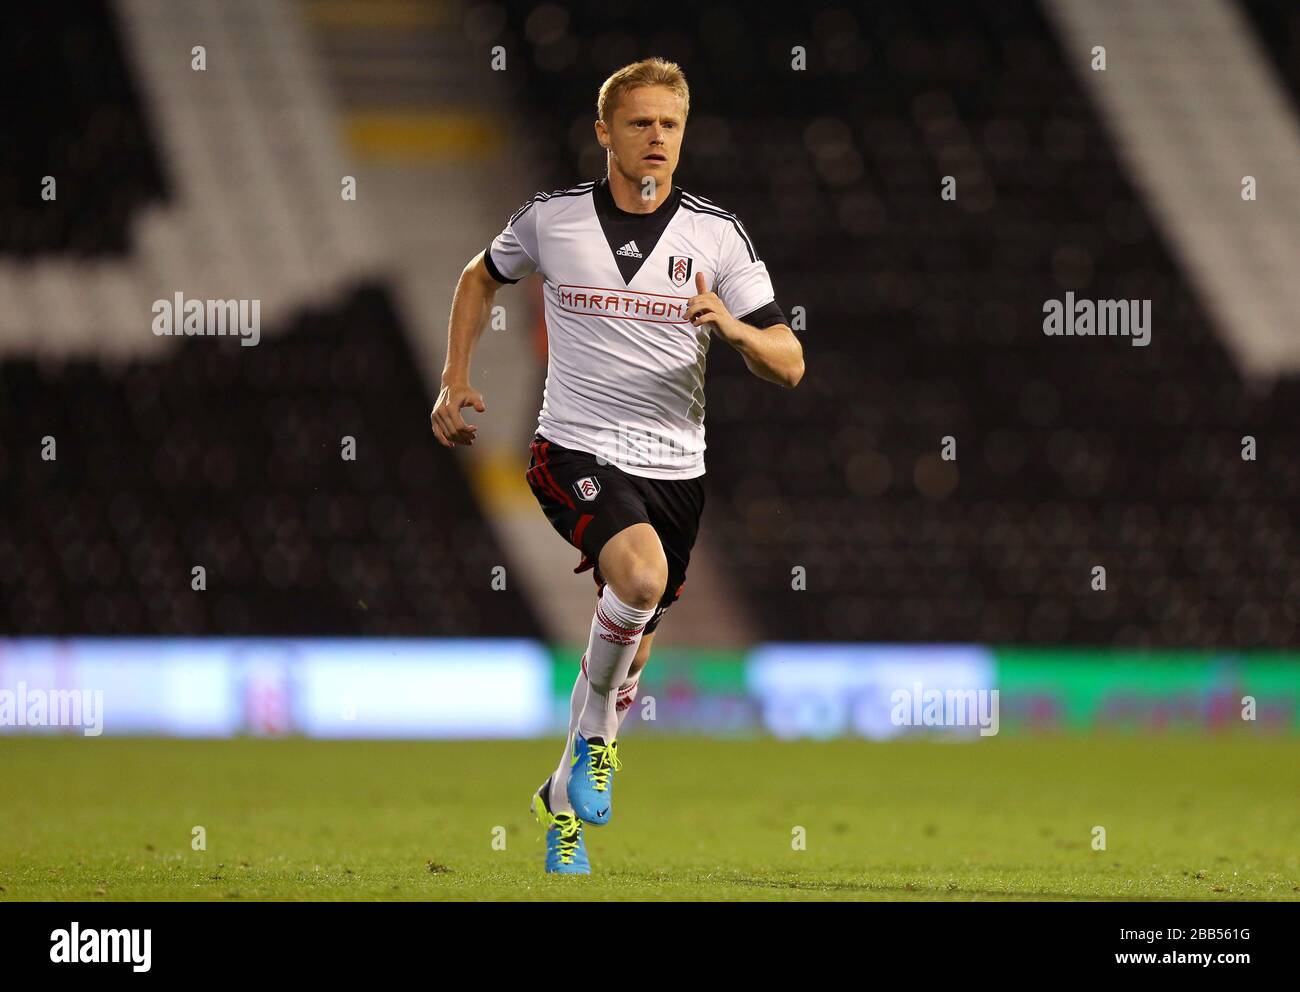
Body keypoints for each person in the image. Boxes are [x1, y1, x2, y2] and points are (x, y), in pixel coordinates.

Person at [431, 57, 804, 874]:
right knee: (638, 579)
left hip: (677, 471)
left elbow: (790, 360)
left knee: (631, 649)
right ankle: (597, 751)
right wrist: (456, 378)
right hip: (573, 447)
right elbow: (477, 279)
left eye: (670, 124)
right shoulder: (552, 220)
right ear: (605, 132)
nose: (657, 138)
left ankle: (562, 797)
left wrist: (736, 332)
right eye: (640, 123)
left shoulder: (716, 235)